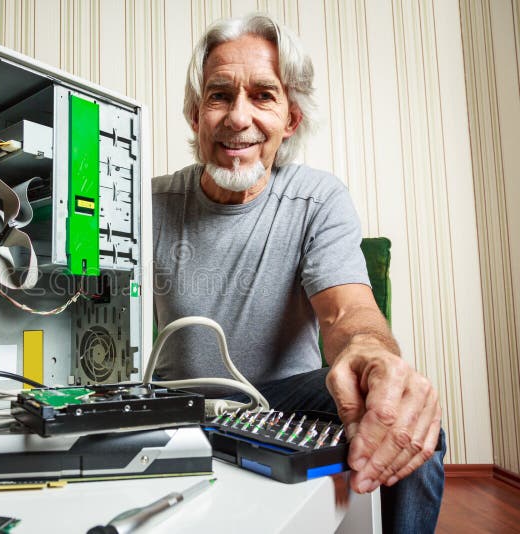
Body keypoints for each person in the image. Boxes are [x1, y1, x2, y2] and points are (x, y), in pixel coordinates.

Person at [151, 13, 445, 533]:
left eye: (263, 95)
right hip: (181, 404)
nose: (238, 118)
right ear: (196, 115)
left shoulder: (319, 198)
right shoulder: (146, 202)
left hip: (285, 396)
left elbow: (348, 311)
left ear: (290, 120)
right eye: (219, 96)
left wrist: (371, 354)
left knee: (402, 416)